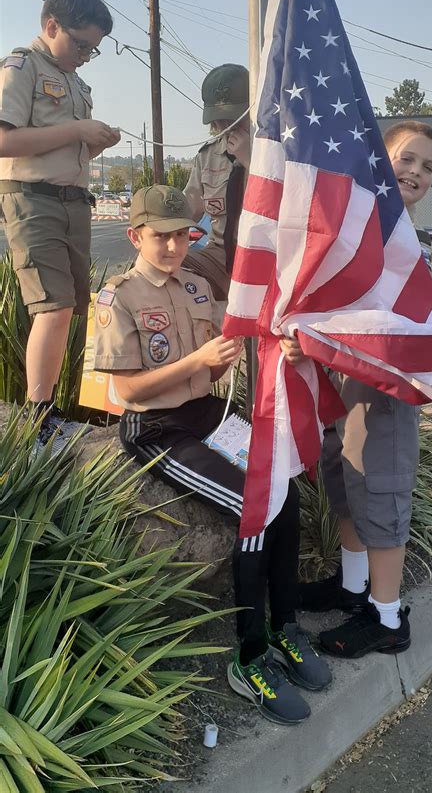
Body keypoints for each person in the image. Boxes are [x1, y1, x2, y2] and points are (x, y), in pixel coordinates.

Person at [93, 183, 332, 724]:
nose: (175, 247)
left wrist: (220, 361)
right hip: (156, 428)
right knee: (255, 510)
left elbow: (213, 367)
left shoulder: (198, 287)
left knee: (283, 491)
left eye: (184, 235)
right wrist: (198, 358)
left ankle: (285, 626)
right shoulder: (119, 297)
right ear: (135, 235)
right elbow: (128, 392)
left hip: (205, 414)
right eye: (161, 237)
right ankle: (248, 659)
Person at [298, 121, 432, 658]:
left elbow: (398, 328)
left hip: (385, 392)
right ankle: (353, 587)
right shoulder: (353, 229)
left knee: (380, 491)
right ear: (380, 160)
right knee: (345, 482)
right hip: (342, 381)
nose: (417, 172)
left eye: (428, 167)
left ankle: (386, 618)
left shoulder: (415, 248)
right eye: (407, 159)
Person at [0, 0, 121, 443]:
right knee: (53, 308)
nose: (85, 55)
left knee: (73, 310)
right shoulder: (22, 67)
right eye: (81, 44)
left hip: (73, 201)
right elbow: (4, 141)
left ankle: (53, 406)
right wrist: (76, 128)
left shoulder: (75, 81)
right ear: (51, 25)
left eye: (94, 50)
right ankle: (38, 417)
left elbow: (69, 151)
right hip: (32, 199)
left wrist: (92, 141)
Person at [183, 63, 251, 301]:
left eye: (234, 118)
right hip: (220, 256)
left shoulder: (277, 149)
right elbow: (187, 208)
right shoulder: (207, 156)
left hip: (266, 255)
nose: (226, 126)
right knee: (158, 270)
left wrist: (251, 160)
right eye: (219, 119)